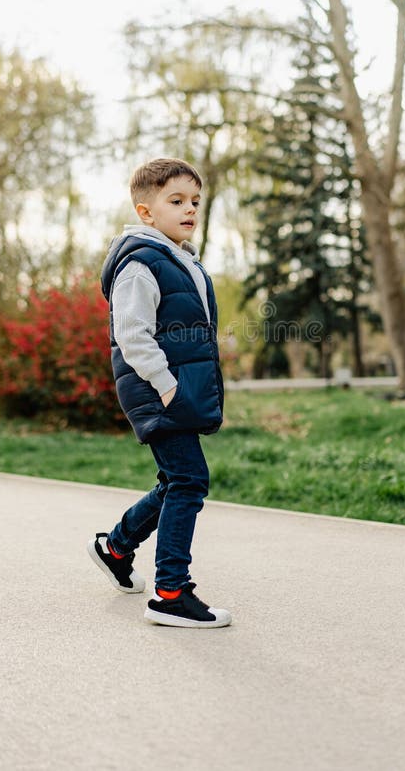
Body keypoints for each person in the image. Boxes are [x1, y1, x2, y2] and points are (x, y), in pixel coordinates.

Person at [88, 157, 232, 628]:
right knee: (189, 480)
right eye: (176, 201)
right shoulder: (141, 263)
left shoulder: (179, 259)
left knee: (176, 480)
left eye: (195, 201)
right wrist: (168, 386)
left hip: (170, 389)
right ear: (146, 212)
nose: (189, 209)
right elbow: (133, 335)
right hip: (156, 390)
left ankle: (115, 547)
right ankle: (170, 593)